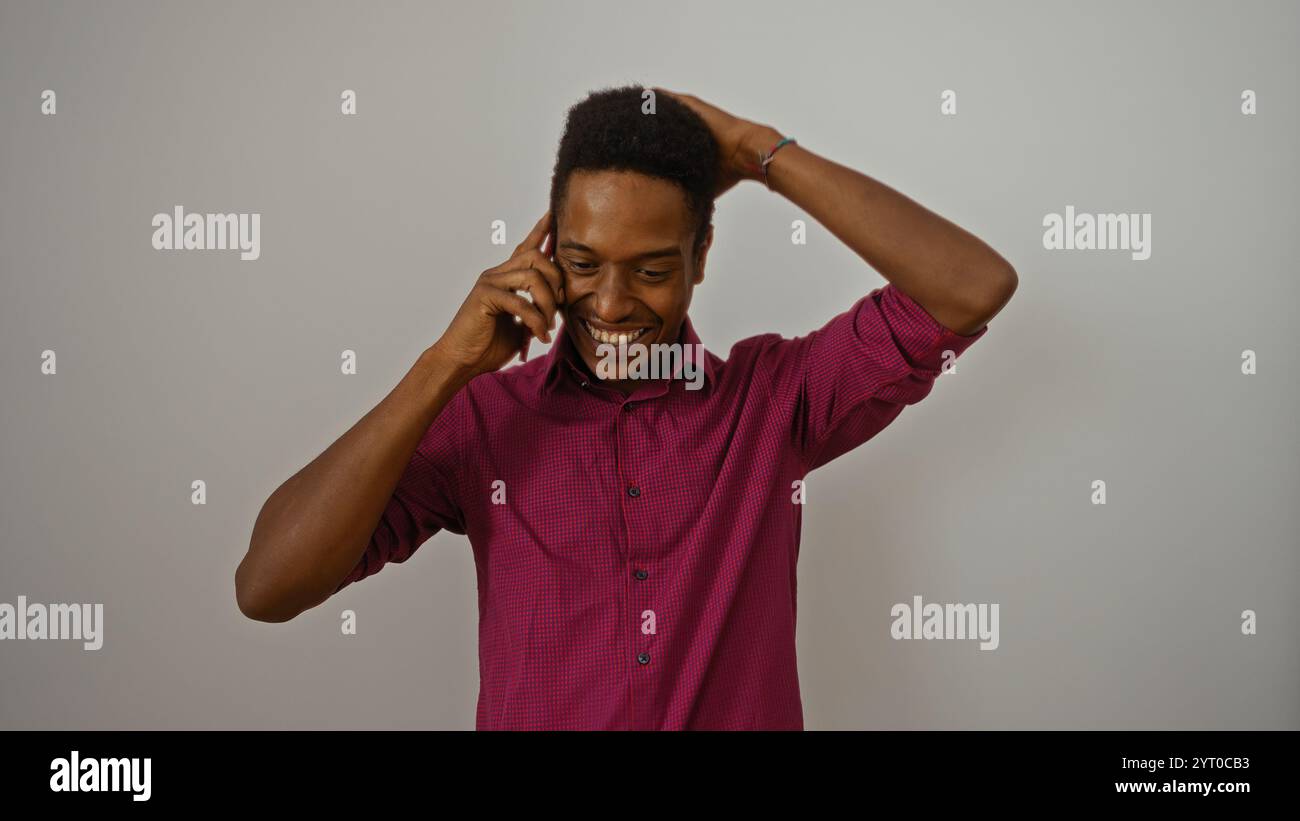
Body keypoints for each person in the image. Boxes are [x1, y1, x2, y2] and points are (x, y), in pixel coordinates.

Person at [235, 84, 1017, 730]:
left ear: (700, 257)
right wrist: (444, 365)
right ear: (547, 253)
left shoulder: (774, 400)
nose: (611, 302)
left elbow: (970, 287)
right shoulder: (483, 420)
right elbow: (267, 586)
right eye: (583, 263)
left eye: (650, 270)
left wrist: (757, 149)